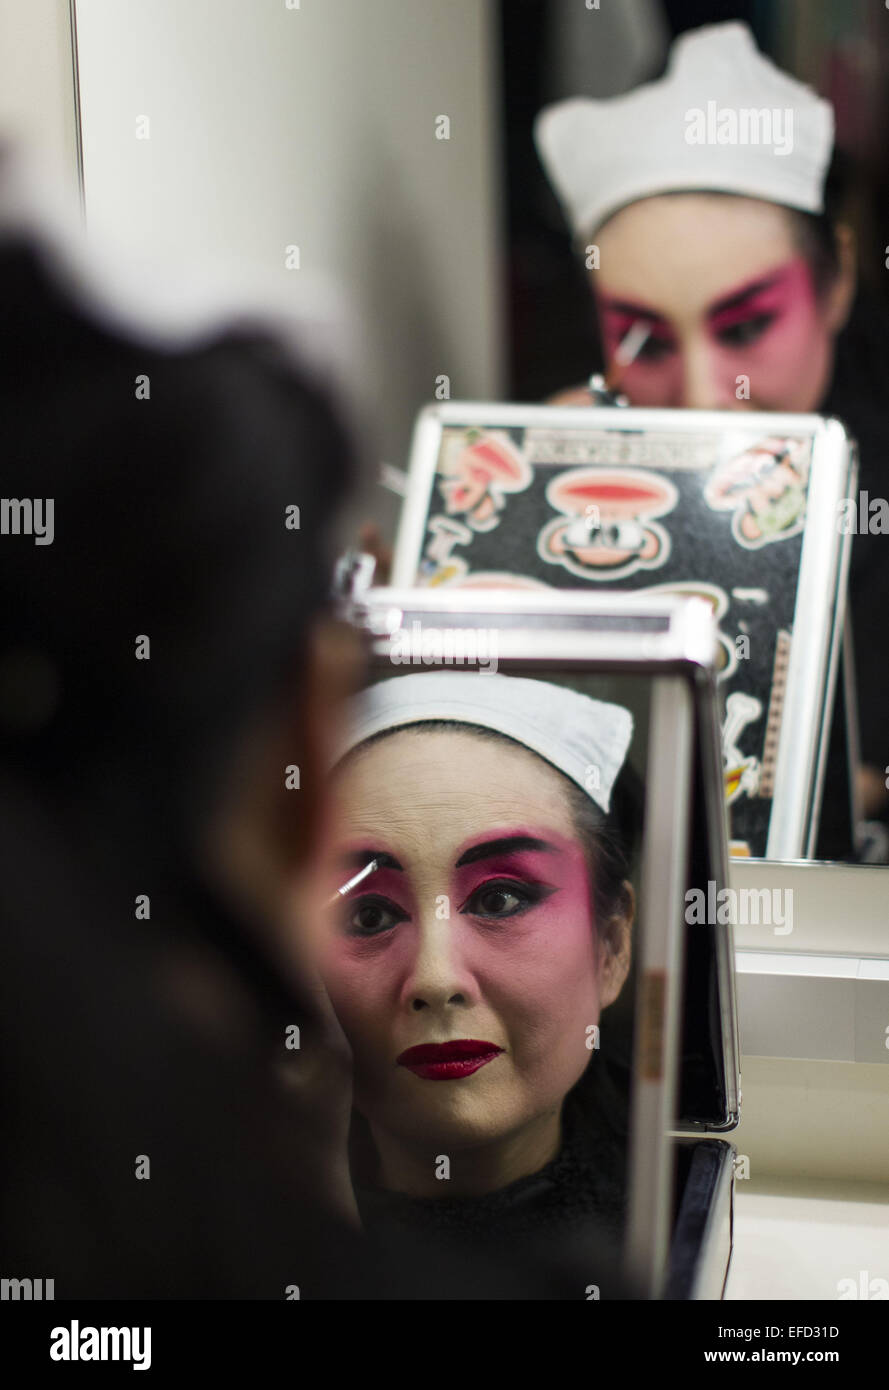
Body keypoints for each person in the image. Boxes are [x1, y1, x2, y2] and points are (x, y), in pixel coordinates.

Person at [534, 21, 889, 856]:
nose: (702, 396)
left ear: (833, 279)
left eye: (747, 325)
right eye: (644, 341)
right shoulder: (556, 470)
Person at [321, 670, 639, 1294]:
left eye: (500, 900)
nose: (436, 980)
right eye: (369, 915)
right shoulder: (183, 1238)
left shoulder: (688, 1230)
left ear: (611, 948)